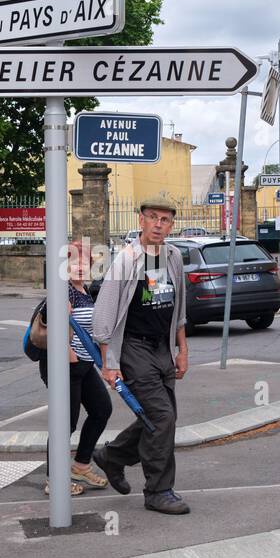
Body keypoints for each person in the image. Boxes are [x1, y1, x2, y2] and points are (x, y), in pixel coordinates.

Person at [91, 196, 189, 515]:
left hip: (163, 348)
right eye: (153, 217)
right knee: (162, 417)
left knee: (161, 418)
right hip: (134, 348)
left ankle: (112, 457)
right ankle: (158, 491)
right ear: (141, 220)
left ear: (171, 226)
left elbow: (179, 308)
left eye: (165, 219)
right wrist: (109, 364)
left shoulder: (173, 257)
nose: (159, 224)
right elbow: (104, 315)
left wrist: (182, 350)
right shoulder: (127, 260)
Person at [39, 238, 112, 497]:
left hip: (84, 365)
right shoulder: (64, 291)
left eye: (85, 262)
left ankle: (80, 466)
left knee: (101, 410)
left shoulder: (84, 290)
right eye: (74, 262)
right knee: (64, 424)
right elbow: (55, 329)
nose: (80, 267)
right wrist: (69, 357)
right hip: (65, 367)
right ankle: (54, 479)